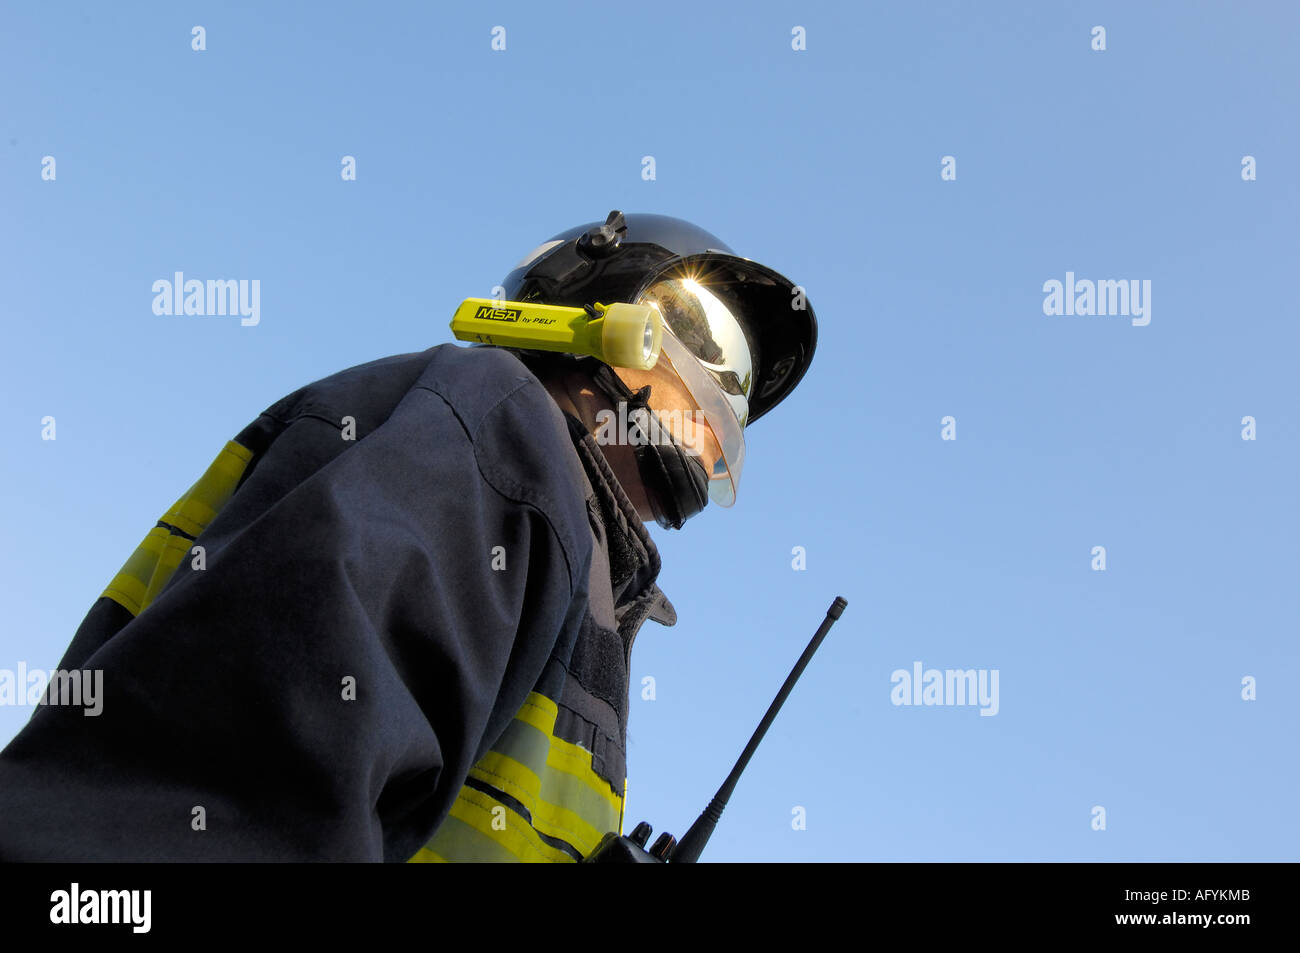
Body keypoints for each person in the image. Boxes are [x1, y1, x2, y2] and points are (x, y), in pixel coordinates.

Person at [0, 210, 817, 862]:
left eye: (741, 393)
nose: (723, 395)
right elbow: (226, 797)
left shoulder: (583, 552)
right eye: (707, 337)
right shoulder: (502, 434)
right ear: (598, 295)